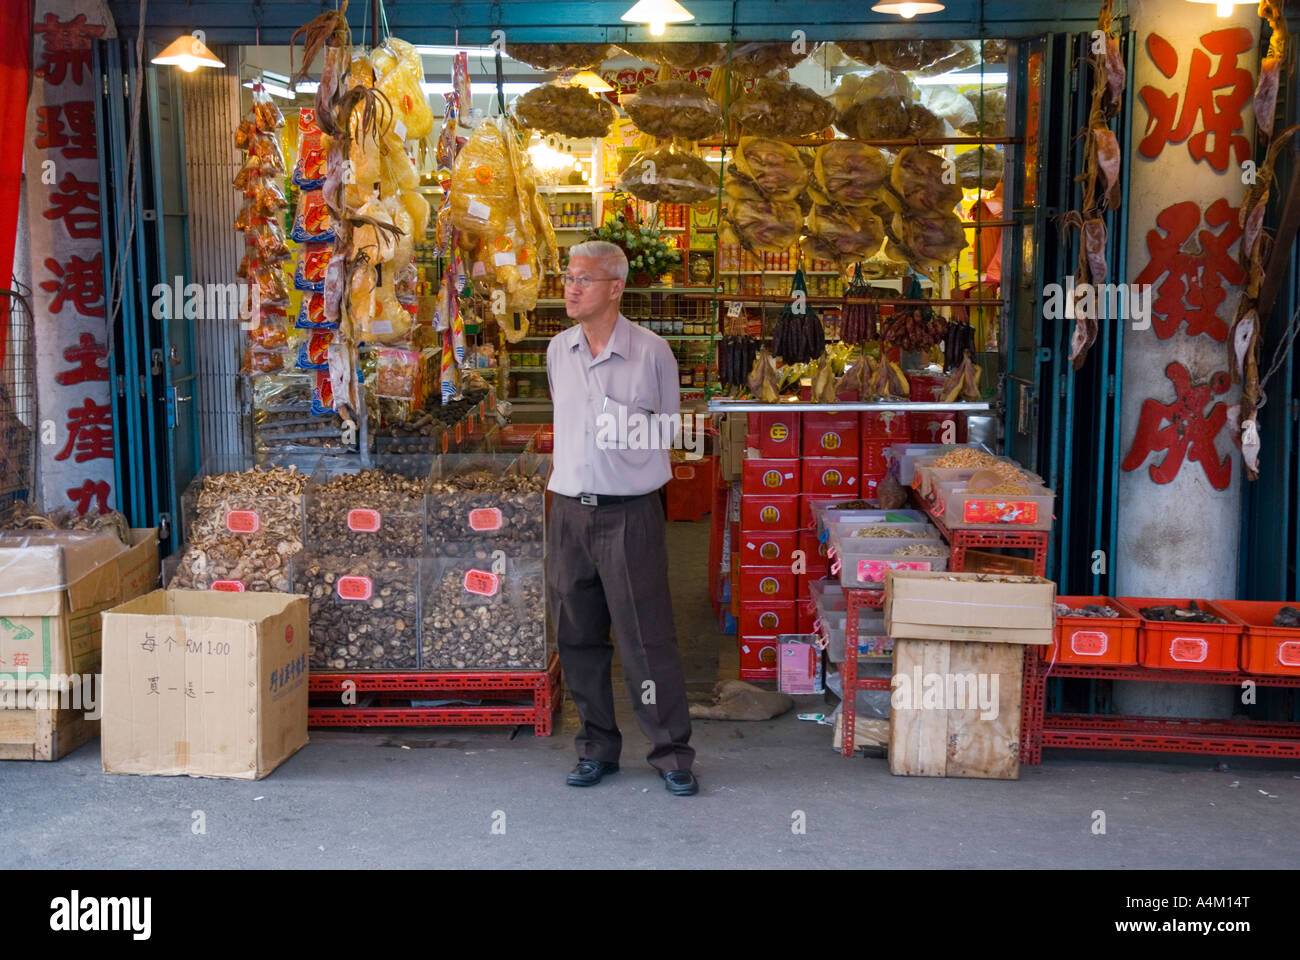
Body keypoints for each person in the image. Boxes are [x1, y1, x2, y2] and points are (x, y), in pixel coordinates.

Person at [544, 240, 697, 797]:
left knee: (646, 639)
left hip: (629, 513)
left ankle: (671, 752)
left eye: (583, 279)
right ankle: (596, 746)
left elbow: (668, 434)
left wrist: (616, 423)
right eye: (568, 278)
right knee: (577, 635)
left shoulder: (652, 353)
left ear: (615, 288)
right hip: (568, 513)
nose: (571, 287)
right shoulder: (558, 350)